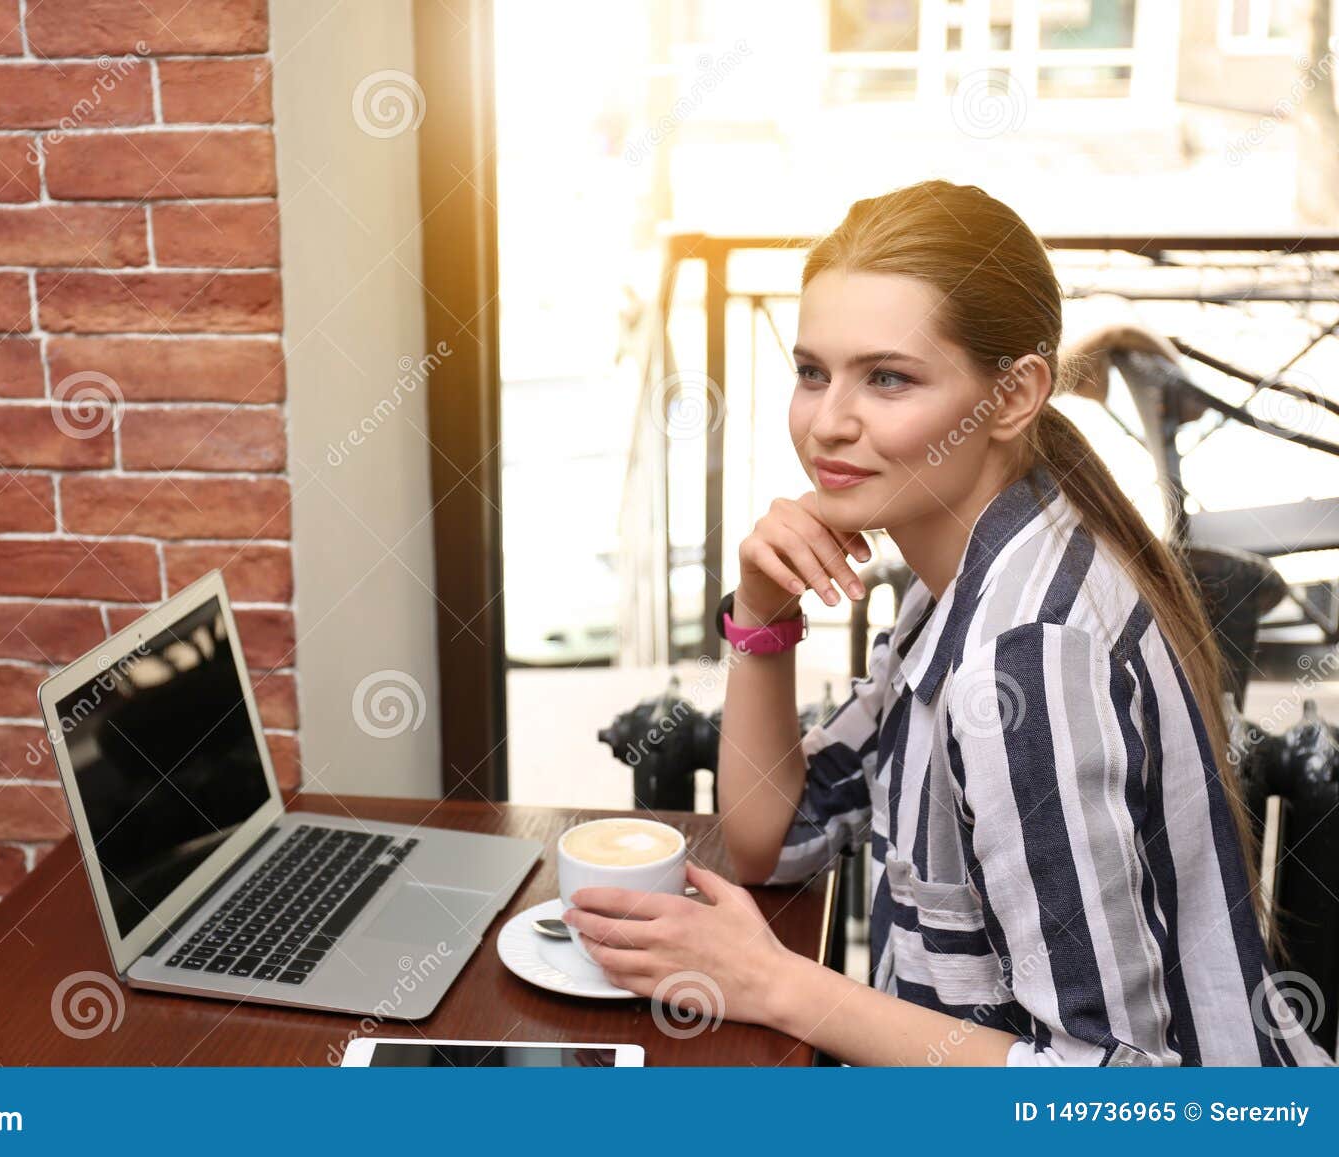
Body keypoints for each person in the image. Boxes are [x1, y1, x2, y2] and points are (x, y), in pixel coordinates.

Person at [565, 179, 1334, 1066]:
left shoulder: (1027, 664)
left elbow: (1120, 1101)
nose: (828, 423)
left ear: (1012, 396)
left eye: (887, 378)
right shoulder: (960, 576)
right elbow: (768, 838)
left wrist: (778, 982)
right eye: (813, 372)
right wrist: (761, 620)